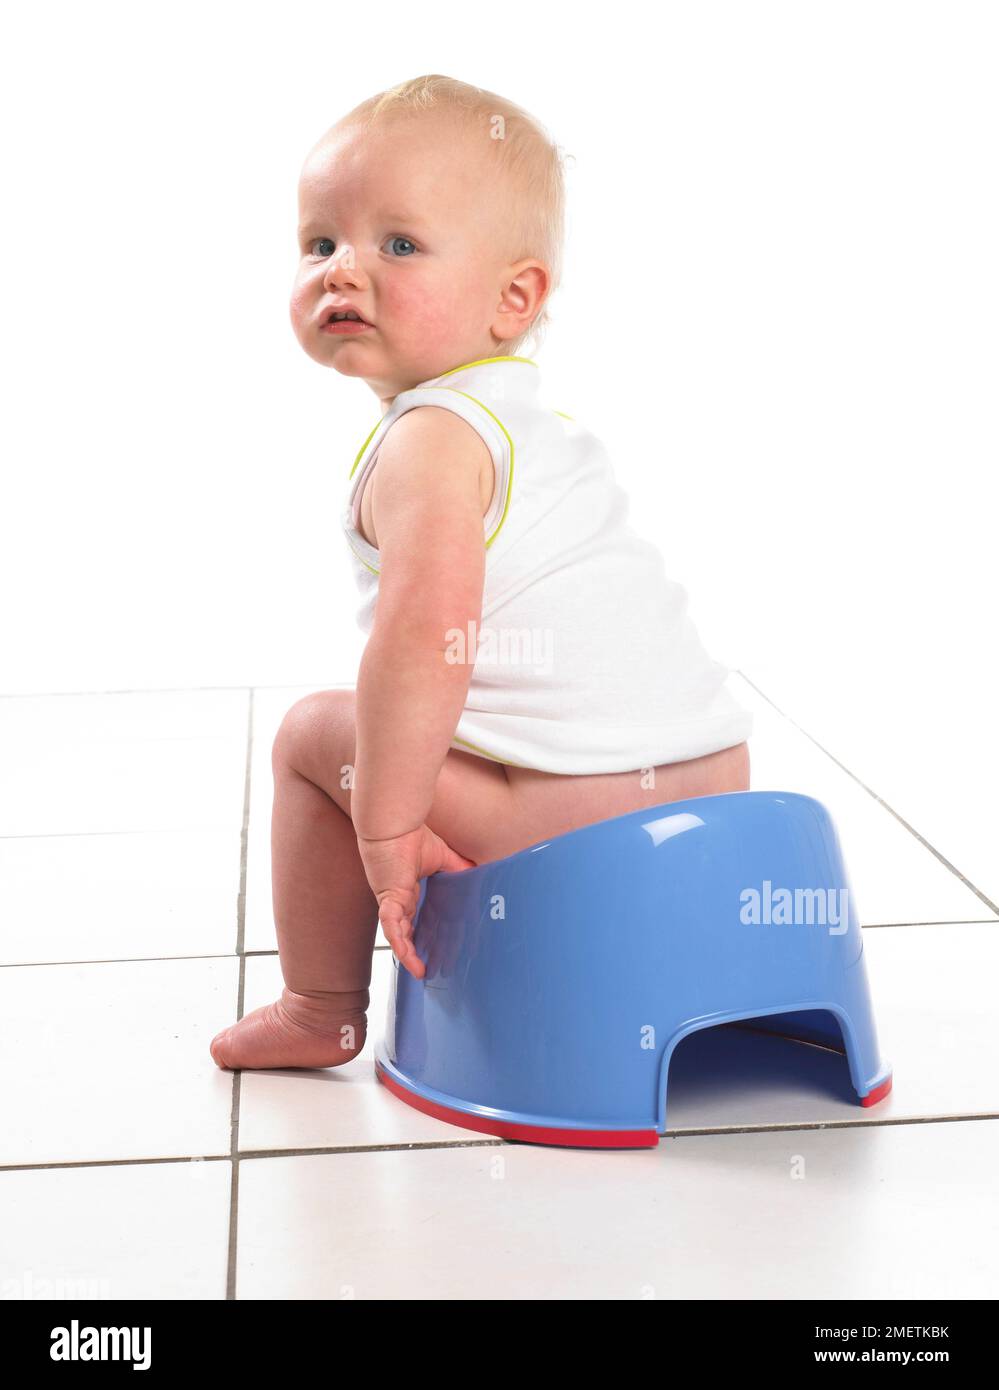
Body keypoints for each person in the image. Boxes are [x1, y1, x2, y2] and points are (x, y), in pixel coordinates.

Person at [210, 74, 752, 1072]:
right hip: (723, 799)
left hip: (577, 818)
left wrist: (388, 819)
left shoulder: (432, 442)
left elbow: (424, 644)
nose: (344, 271)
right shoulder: (526, 425)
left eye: (398, 244)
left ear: (516, 297)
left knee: (308, 737)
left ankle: (318, 1004)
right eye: (321, 241)